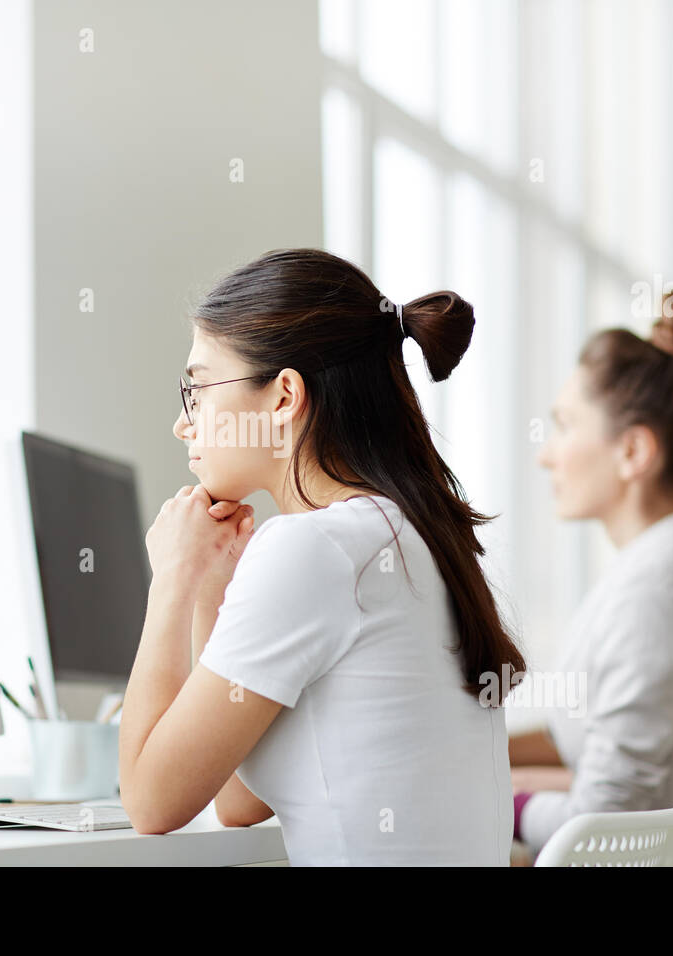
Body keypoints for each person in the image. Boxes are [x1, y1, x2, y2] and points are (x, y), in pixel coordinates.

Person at [117, 248, 527, 865]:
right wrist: (210, 589)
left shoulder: (315, 549)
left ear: (283, 397)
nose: (183, 422)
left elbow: (151, 802)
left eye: (197, 389)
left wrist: (171, 579)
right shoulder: (409, 533)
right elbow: (237, 801)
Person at [509, 291, 673, 866]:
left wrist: (502, 799)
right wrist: (480, 749)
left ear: (633, 452)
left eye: (565, 426)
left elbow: (603, 824)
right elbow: (595, 738)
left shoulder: (658, 595)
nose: (547, 456)